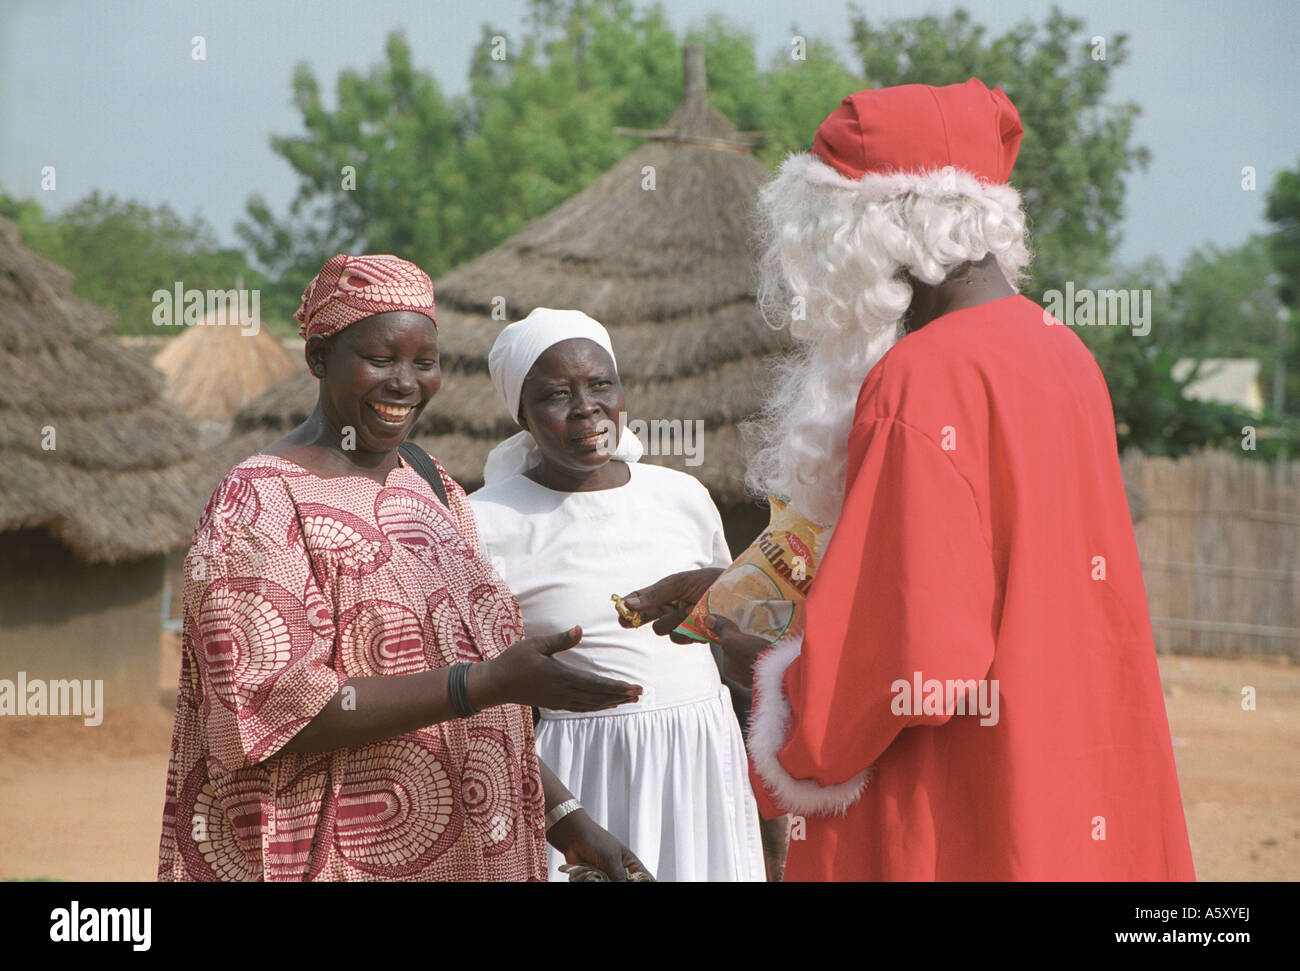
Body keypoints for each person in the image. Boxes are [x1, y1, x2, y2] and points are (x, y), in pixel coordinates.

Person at [624, 79, 1197, 880]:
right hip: (1069, 773)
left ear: (871, 229)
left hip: (957, 803)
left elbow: (917, 650)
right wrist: (734, 591)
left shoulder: (921, 376)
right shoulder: (1066, 356)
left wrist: (771, 678)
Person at [157, 255, 650, 881]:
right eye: (381, 359)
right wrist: (482, 683)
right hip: (342, 856)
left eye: (424, 361)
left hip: (479, 853)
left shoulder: (430, 484)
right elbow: (271, 708)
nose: (406, 382)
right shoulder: (259, 502)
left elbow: (489, 700)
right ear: (318, 360)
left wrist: (574, 826)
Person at [467, 308, 766, 882]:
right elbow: (484, 692)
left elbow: (734, 645)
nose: (585, 406)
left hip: (702, 756)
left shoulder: (682, 495)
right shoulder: (486, 521)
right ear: (522, 416)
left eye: (600, 384)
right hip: (581, 773)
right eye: (556, 394)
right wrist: (567, 813)